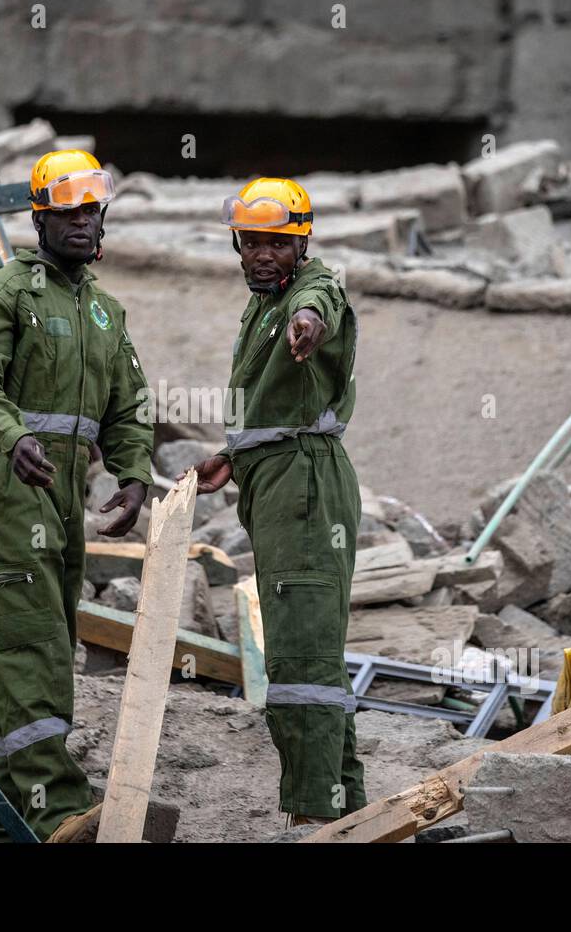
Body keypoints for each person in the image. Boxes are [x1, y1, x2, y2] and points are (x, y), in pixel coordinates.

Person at [0, 149, 152, 841]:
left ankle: (17, 819)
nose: (79, 224)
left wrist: (133, 477)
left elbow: (127, 408)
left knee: (49, 645)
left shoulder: (104, 312)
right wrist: (11, 438)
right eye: (64, 212)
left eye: (89, 211)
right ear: (39, 220)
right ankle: (55, 806)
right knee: (27, 645)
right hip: (8, 488)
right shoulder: (8, 291)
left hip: (63, 496)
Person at [185, 176, 366, 825]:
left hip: (306, 487)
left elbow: (318, 302)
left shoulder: (313, 293)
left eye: (278, 243)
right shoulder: (258, 308)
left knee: (303, 661)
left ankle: (316, 814)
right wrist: (230, 459)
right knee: (303, 653)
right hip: (274, 484)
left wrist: (308, 323)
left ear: (302, 243)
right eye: (252, 242)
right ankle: (342, 810)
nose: (264, 255)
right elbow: (271, 405)